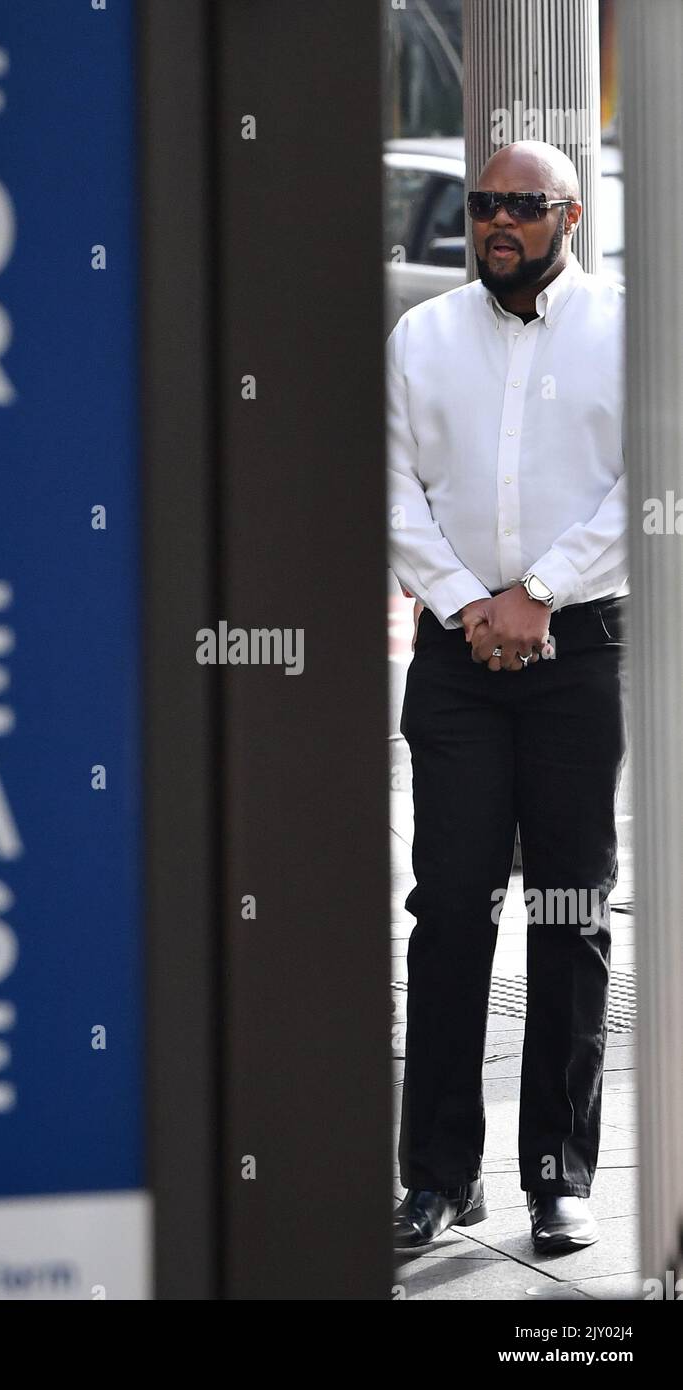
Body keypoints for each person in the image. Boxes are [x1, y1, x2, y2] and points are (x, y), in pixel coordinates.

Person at [388, 140, 627, 1253]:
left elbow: (650, 485)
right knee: (446, 917)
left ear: (566, 216)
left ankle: (554, 1173)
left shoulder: (629, 332)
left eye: (519, 207)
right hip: (454, 664)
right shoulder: (420, 338)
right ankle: (437, 1176)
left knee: (567, 912)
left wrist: (536, 592)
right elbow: (389, 488)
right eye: (483, 205)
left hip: (579, 656)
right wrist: (466, 606)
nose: (495, 223)